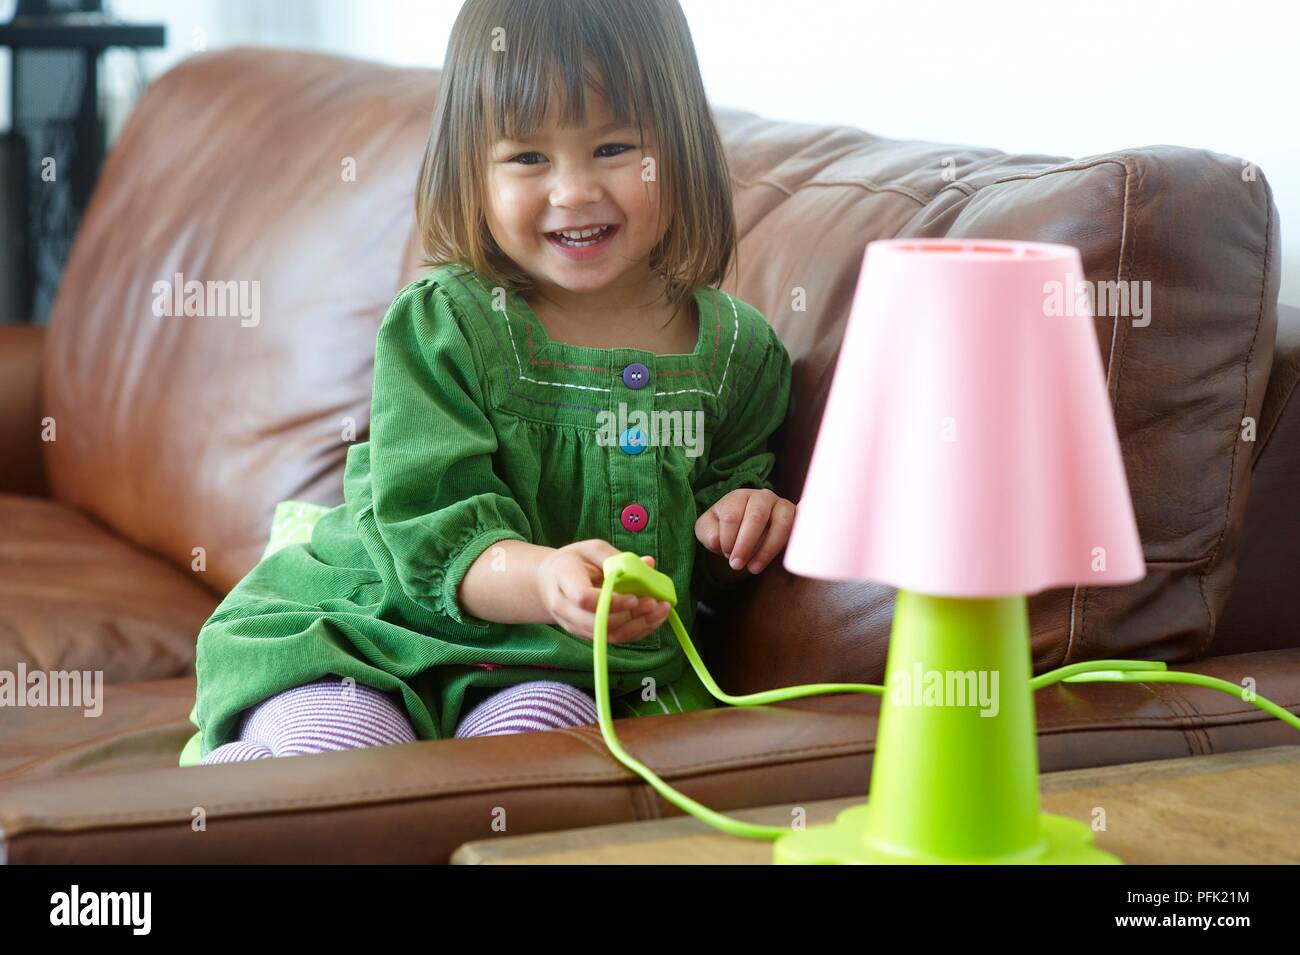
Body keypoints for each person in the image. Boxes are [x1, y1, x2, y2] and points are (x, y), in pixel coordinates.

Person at [181, 0, 795, 766]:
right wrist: (542, 577)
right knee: (339, 755)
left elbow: (710, 536)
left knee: (537, 755)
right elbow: (431, 526)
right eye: (528, 158)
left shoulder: (740, 354)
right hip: (374, 634)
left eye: (612, 146)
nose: (572, 191)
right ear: (471, 170)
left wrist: (740, 518)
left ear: (680, 151)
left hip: (558, 670)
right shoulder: (446, 324)